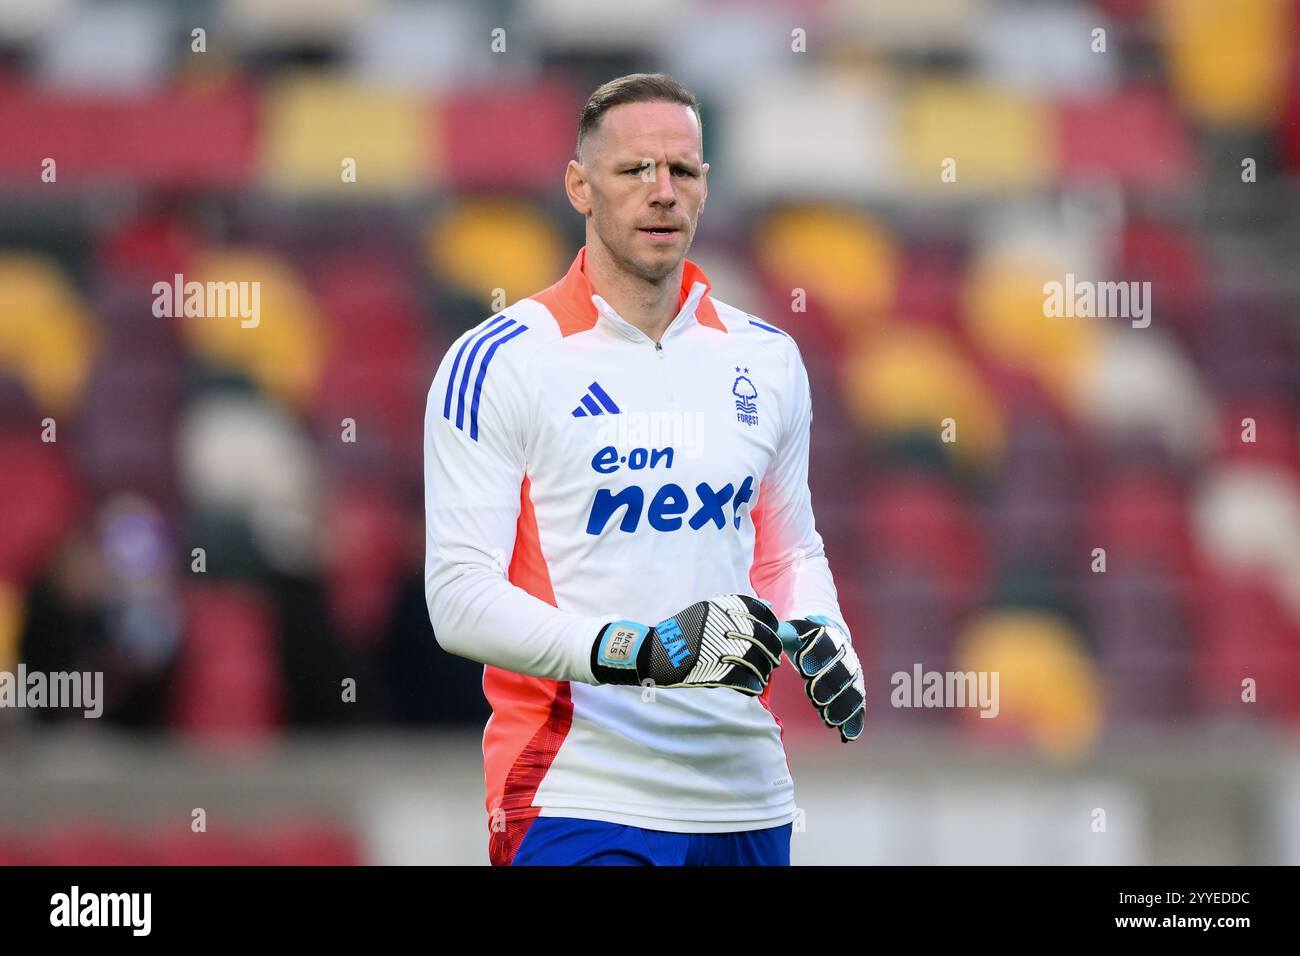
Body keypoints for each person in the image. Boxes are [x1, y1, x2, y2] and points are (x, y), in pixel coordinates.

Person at [423, 72, 865, 866]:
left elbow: (787, 550)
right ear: (580, 187)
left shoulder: (765, 359)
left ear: (706, 186)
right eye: (635, 171)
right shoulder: (499, 362)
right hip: (577, 792)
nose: (663, 192)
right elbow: (458, 601)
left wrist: (825, 631)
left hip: (746, 796)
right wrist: (644, 647)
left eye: (684, 171)